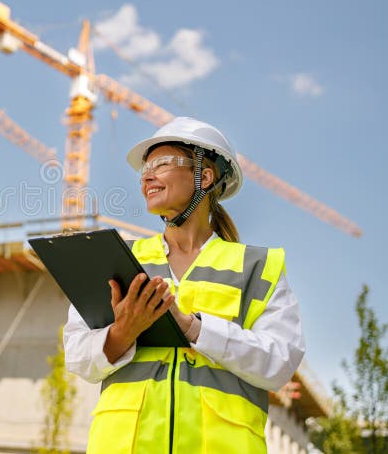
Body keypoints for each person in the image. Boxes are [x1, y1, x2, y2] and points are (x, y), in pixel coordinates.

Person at [63, 117, 305, 454]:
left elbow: (279, 363)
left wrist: (194, 329)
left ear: (204, 176)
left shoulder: (258, 267)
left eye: (161, 164)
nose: (147, 176)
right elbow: (76, 355)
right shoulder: (119, 259)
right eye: (145, 169)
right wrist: (121, 334)